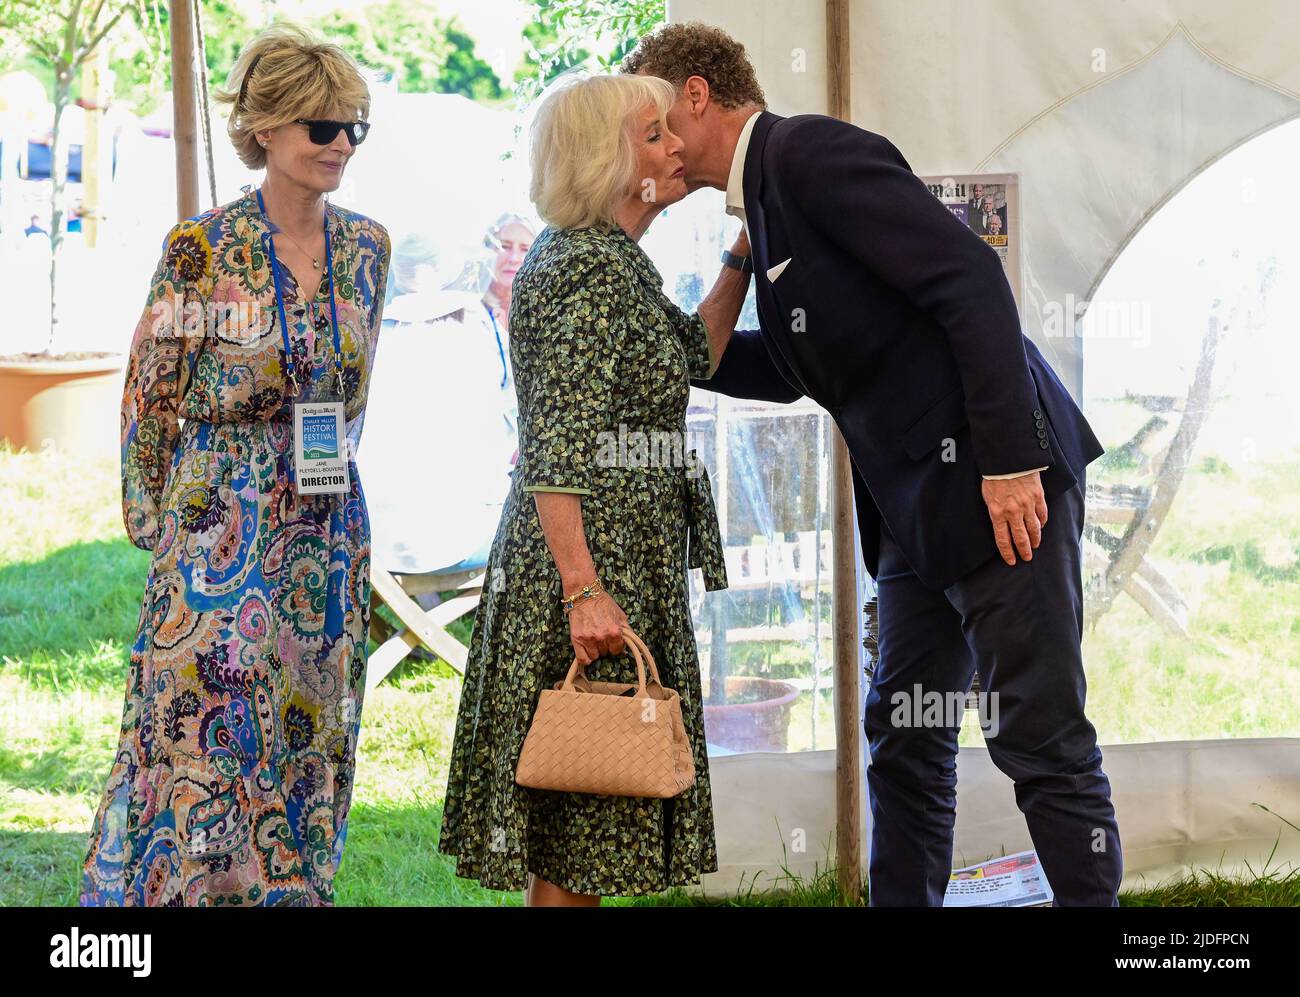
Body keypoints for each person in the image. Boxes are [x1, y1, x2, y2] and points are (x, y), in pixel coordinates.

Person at [623, 22, 1123, 907]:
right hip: (917, 521)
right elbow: (800, 365)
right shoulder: (764, 201)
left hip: (999, 488)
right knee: (903, 734)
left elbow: (969, 277)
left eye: (656, 119)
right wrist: (671, 352)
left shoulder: (809, 152)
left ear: (696, 94)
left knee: (1038, 739)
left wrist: (1008, 462)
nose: (649, 143)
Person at [80, 22, 391, 907]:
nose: (340, 145)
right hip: (215, 524)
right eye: (321, 128)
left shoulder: (369, 249)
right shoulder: (201, 248)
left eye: (353, 128)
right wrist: (161, 528)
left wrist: (323, 484)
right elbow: (151, 395)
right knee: (204, 738)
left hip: (324, 534)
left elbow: (354, 393)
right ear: (265, 130)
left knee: (309, 737)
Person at [437, 71, 751, 906]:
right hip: (585, 572)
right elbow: (554, 446)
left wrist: (740, 256)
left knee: (589, 826)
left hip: (615, 563)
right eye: (654, 136)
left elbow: (694, 354)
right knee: (579, 830)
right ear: (604, 161)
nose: (677, 145)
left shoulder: (612, 261)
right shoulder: (582, 268)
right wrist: (584, 591)